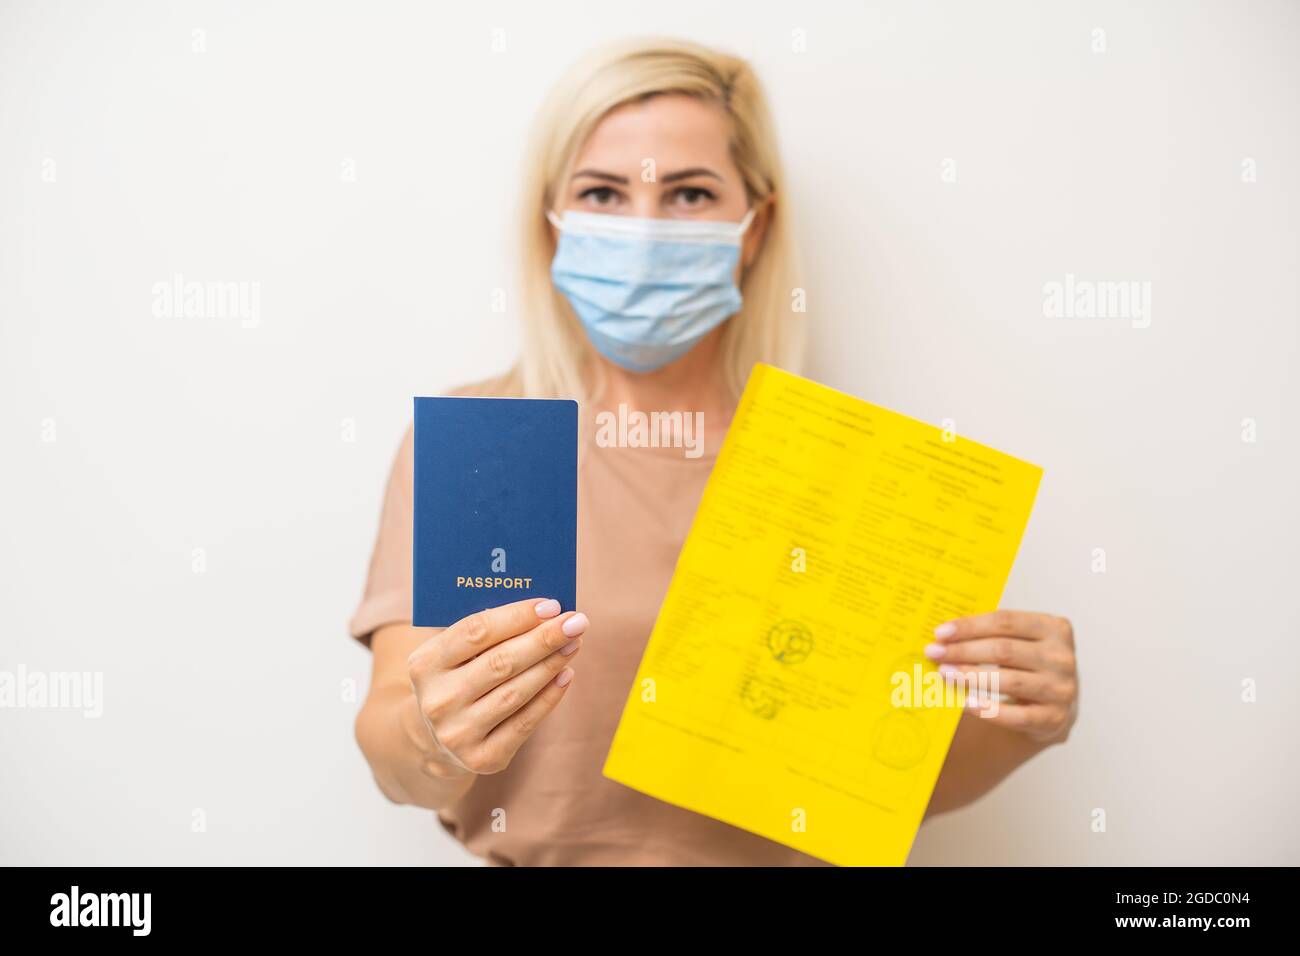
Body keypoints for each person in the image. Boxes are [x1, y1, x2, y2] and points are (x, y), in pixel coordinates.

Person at [350, 36, 1079, 866]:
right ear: (552, 223)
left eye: (691, 193)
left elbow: (885, 787)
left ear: (755, 225)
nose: (646, 229)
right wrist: (431, 738)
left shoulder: (855, 474)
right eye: (602, 192)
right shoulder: (485, 448)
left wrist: (1026, 717)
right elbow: (394, 757)